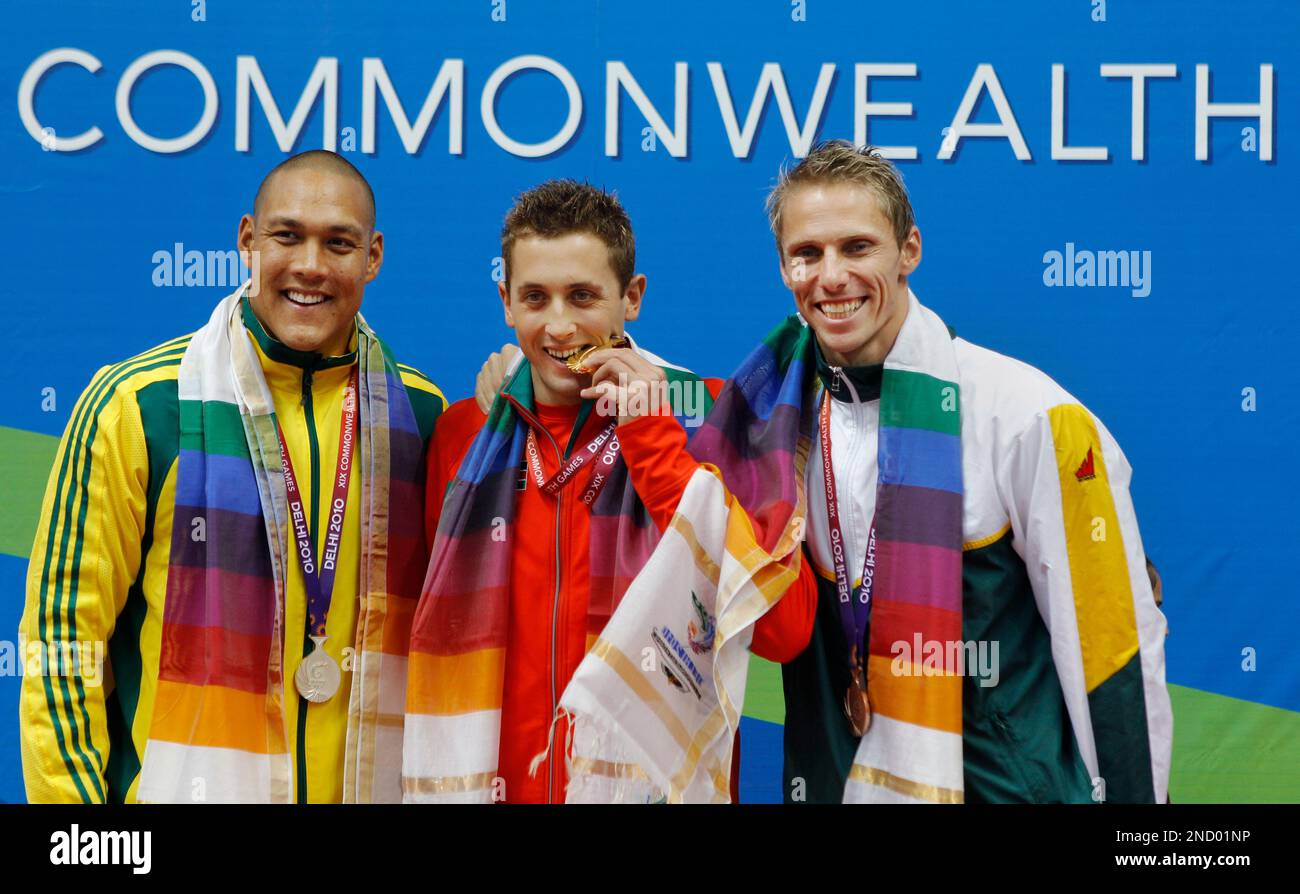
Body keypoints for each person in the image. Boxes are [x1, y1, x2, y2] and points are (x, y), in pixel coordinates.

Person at [558, 140, 1172, 804]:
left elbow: (1114, 662)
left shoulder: (1027, 416)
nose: (831, 277)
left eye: (857, 248)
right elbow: (667, 393)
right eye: (807, 254)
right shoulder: (769, 417)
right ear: (784, 266)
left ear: (908, 251)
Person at [18, 150, 446, 803]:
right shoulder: (140, 405)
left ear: (373, 256)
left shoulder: (423, 417)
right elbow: (61, 642)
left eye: (338, 243)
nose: (309, 265)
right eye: (287, 235)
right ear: (247, 240)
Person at [401, 179, 812, 803]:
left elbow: (784, 626)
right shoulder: (467, 436)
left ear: (633, 297)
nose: (559, 325)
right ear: (506, 301)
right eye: (535, 297)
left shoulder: (707, 417)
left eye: (583, 296)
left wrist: (652, 444)